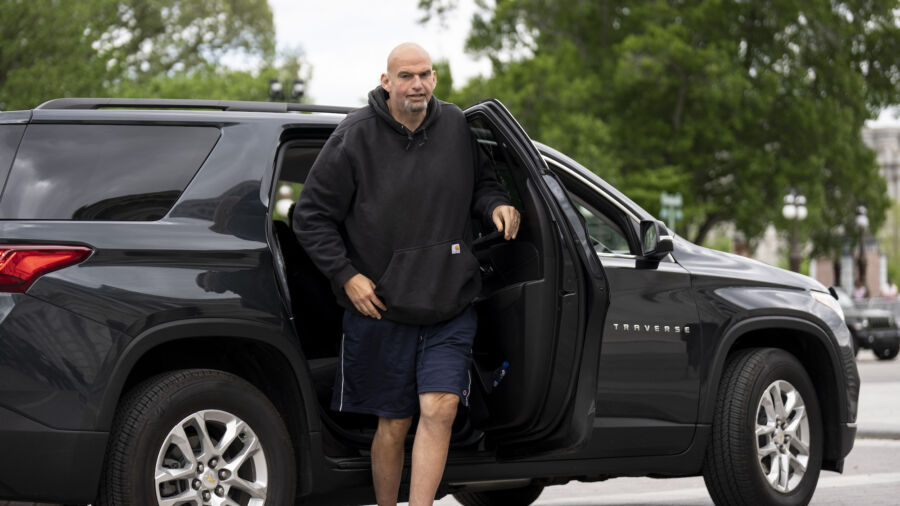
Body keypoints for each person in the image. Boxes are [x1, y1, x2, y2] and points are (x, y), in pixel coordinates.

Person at [293, 42, 520, 506]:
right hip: (382, 307)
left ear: (434, 78)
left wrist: (496, 204)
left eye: (425, 75)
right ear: (386, 82)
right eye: (406, 76)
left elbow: (483, 184)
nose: (417, 84)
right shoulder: (354, 136)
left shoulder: (456, 126)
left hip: (449, 301)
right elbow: (310, 216)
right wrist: (346, 276)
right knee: (393, 423)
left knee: (440, 409)